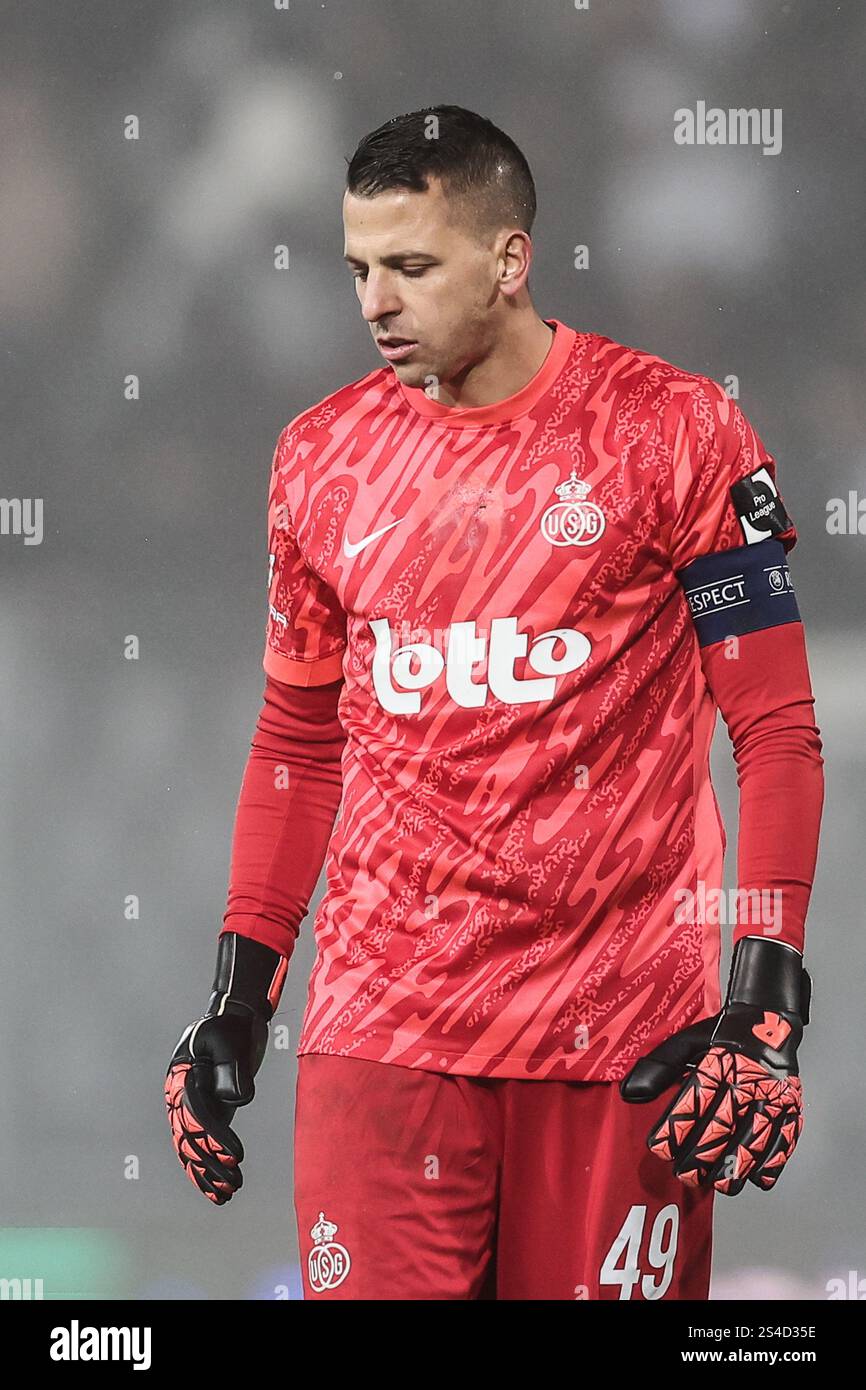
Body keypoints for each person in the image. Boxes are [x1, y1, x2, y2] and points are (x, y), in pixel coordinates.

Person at [165, 104, 824, 1300]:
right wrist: (239, 994)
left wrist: (763, 994)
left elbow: (773, 728)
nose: (374, 301)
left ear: (509, 260)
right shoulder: (318, 458)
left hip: (623, 1032)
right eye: (359, 267)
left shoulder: (672, 429)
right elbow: (297, 746)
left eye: (411, 266)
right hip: (385, 1032)